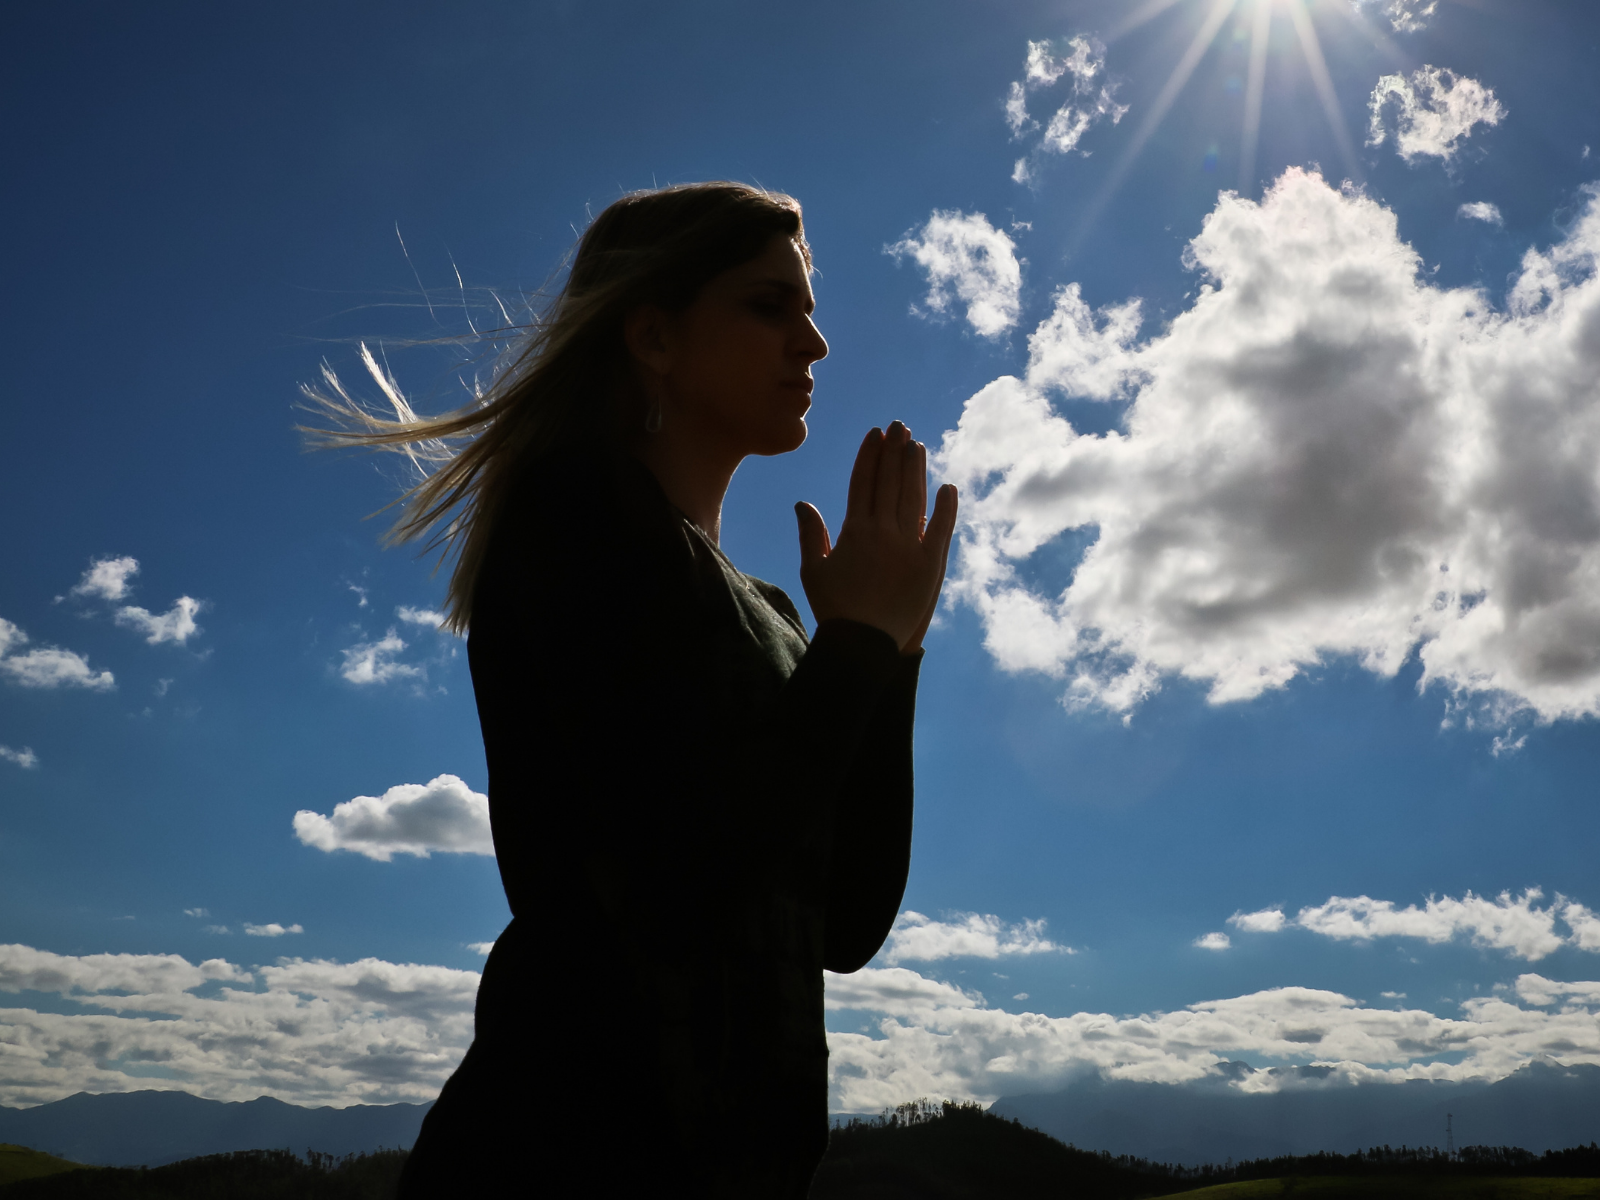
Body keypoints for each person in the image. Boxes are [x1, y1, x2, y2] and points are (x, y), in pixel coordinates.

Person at [306, 182, 957, 1196]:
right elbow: (682, 877)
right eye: (768, 306)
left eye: (810, 309)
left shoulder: (780, 615)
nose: (815, 343)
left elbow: (845, 925)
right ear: (653, 336)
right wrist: (861, 644)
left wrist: (885, 650)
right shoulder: (576, 517)